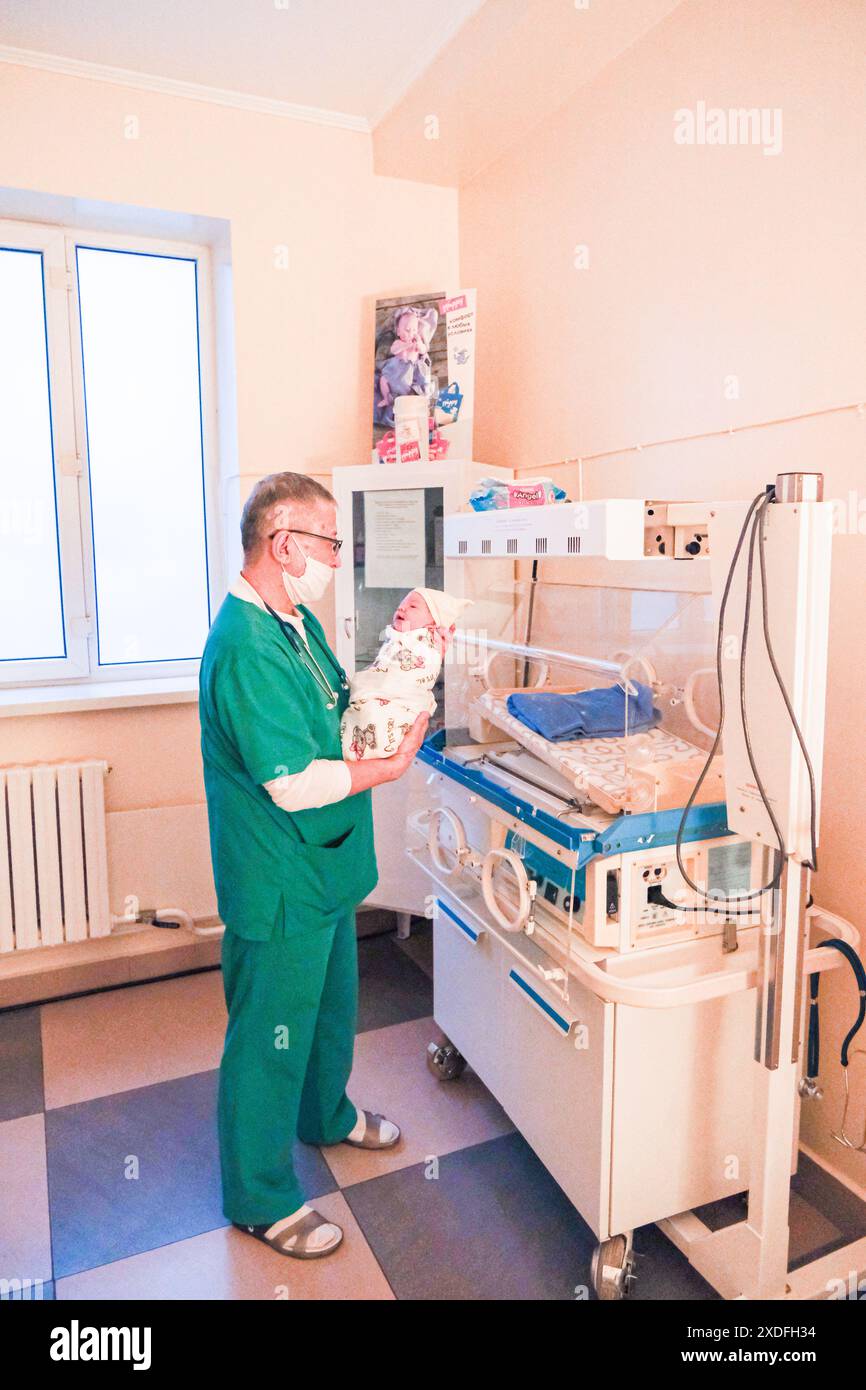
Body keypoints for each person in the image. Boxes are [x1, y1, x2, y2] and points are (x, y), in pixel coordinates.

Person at [199, 471, 429, 1259]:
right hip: (279, 878)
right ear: (284, 542)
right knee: (270, 1036)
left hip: (323, 869)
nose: (338, 557)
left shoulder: (294, 622)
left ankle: (323, 1114)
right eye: (331, 542)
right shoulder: (245, 646)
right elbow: (292, 779)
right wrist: (388, 772)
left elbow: (342, 708)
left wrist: (411, 656)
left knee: (330, 1008)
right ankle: (259, 1196)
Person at [340, 588, 470, 761]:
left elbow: (410, 676)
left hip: (400, 700)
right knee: (364, 714)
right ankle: (356, 743)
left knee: (373, 715)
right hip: (379, 694)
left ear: (434, 622)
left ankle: (367, 745)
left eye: (413, 606)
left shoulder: (427, 641)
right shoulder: (397, 637)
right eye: (400, 606)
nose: (401, 609)